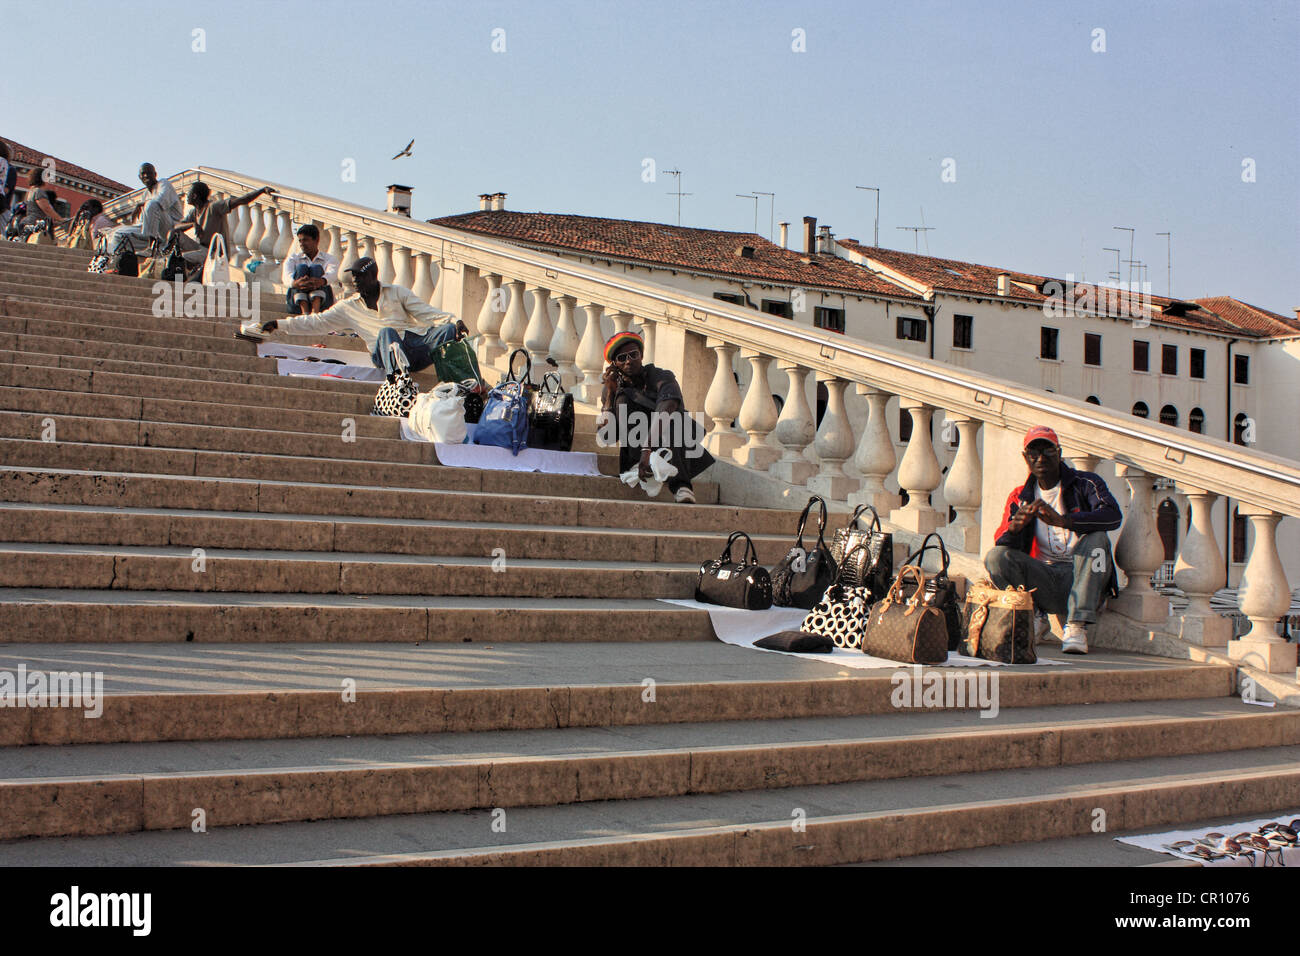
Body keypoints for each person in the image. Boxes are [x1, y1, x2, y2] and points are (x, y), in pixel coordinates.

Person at [983, 425, 1123, 654]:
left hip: (1082, 577)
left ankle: (1077, 625)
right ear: (1025, 458)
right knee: (996, 557)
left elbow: (1113, 516)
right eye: (1033, 453)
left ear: (1059, 453)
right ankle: (1033, 615)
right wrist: (1015, 529)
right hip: (1044, 580)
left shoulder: (1086, 483)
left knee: (1097, 540)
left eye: (1047, 451)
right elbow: (1002, 543)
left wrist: (1064, 521)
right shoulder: (1020, 496)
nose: (1040, 458)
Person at [246, 256, 466, 380]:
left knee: (447, 331)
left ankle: (458, 382)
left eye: (360, 278)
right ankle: (397, 379)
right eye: (354, 279)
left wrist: (455, 321)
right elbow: (316, 322)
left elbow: (427, 312)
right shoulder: (348, 307)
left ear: (373, 276)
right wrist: (278, 324)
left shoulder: (397, 292)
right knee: (386, 333)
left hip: (411, 347)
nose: (356, 283)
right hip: (384, 353)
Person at [597, 331, 715, 504]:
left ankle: (681, 486)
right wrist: (609, 395)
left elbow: (667, 406)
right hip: (637, 451)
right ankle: (640, 464)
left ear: (642, 355)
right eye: (622, 358)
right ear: (615, 364)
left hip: (670, 440)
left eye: (633, 354)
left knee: (672, 417)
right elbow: (606, 437)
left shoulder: (662, 376)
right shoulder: (614, 389)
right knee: (623, 398)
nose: (629, 360)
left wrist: (647, 449)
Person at [170, 180, 273, 278]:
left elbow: (241, 200)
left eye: (189, 193)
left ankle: (185, 274)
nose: (187, 196)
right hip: (201, 248)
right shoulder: (194, 213)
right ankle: (181, 270)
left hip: (216, 254)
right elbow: (175, 227)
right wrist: (192, 225)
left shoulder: (214, 207)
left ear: (194, 196)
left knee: (183, 259)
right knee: (175, 235)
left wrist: (262, 191)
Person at [105, 163, 183, 250]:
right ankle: (115, 258)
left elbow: (159, 202)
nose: (146, 176)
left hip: (169, 228)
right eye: (143, 174)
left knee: (151, 204)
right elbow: (143, 223)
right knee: (117, 234)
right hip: (151, 232)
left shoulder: (164, 183)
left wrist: (140, 204)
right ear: (139, 177)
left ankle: (151, 246)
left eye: (149, 173)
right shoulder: (145, 194)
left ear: (155, 174)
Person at [280, 224, 338, 314]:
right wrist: (297, 283)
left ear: (316, 240)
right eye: (300, 241)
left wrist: (320, 281)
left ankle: (315, 311)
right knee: (301, 268)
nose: (302, 244)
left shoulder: (329, 259)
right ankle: (305, 312)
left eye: (305, 240)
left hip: (323, 305)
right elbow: (286, 277)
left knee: (316, 269)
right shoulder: (293, 258)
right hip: (296, 305)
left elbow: (332, 274)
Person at [16, 167, 63, 240]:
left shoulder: (30, 191)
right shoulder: (39, 192)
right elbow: (46, 209)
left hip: (26, 224)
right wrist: (61, 219)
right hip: (34, 225)